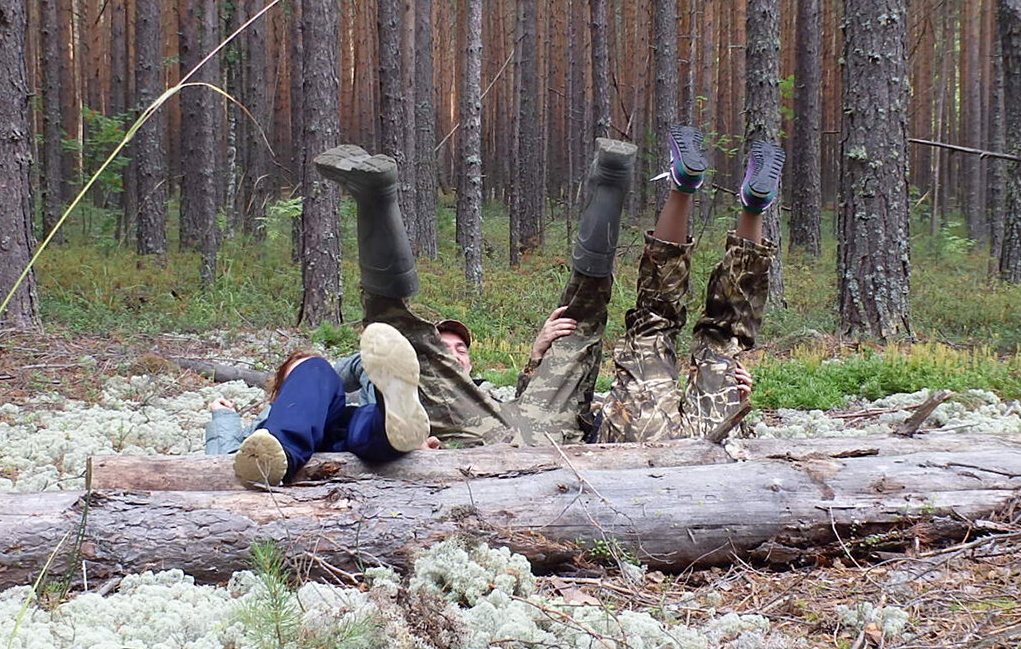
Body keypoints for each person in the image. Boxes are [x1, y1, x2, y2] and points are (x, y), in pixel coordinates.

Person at [315, 137, 638, 447]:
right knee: (398, 333)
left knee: (574, 328)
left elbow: (523, 406)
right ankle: (376, 196)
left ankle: (612, 176)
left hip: (535, 425)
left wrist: (537, 356)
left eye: (462, 348)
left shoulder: (487, 391)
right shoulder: (427, 393)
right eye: (446, 346)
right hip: (486, 433)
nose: (455, 351)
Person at [596, 126, 782, 442]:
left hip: (643, 440)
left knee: (720, 334)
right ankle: (737, 202)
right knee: (667, 324)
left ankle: (718, 197)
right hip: (703, 447)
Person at [209, 322, 438, 488]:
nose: (309, 385)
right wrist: (223, 417)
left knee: (364, 420)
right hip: (290, 444)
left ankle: (392, 430)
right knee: (318, 370)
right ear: (280, 393)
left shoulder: (337, 404)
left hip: (352, 437)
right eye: (298, 378)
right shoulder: (259, 432)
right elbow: (222, 463)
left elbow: (357, 369)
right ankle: (280, 454)